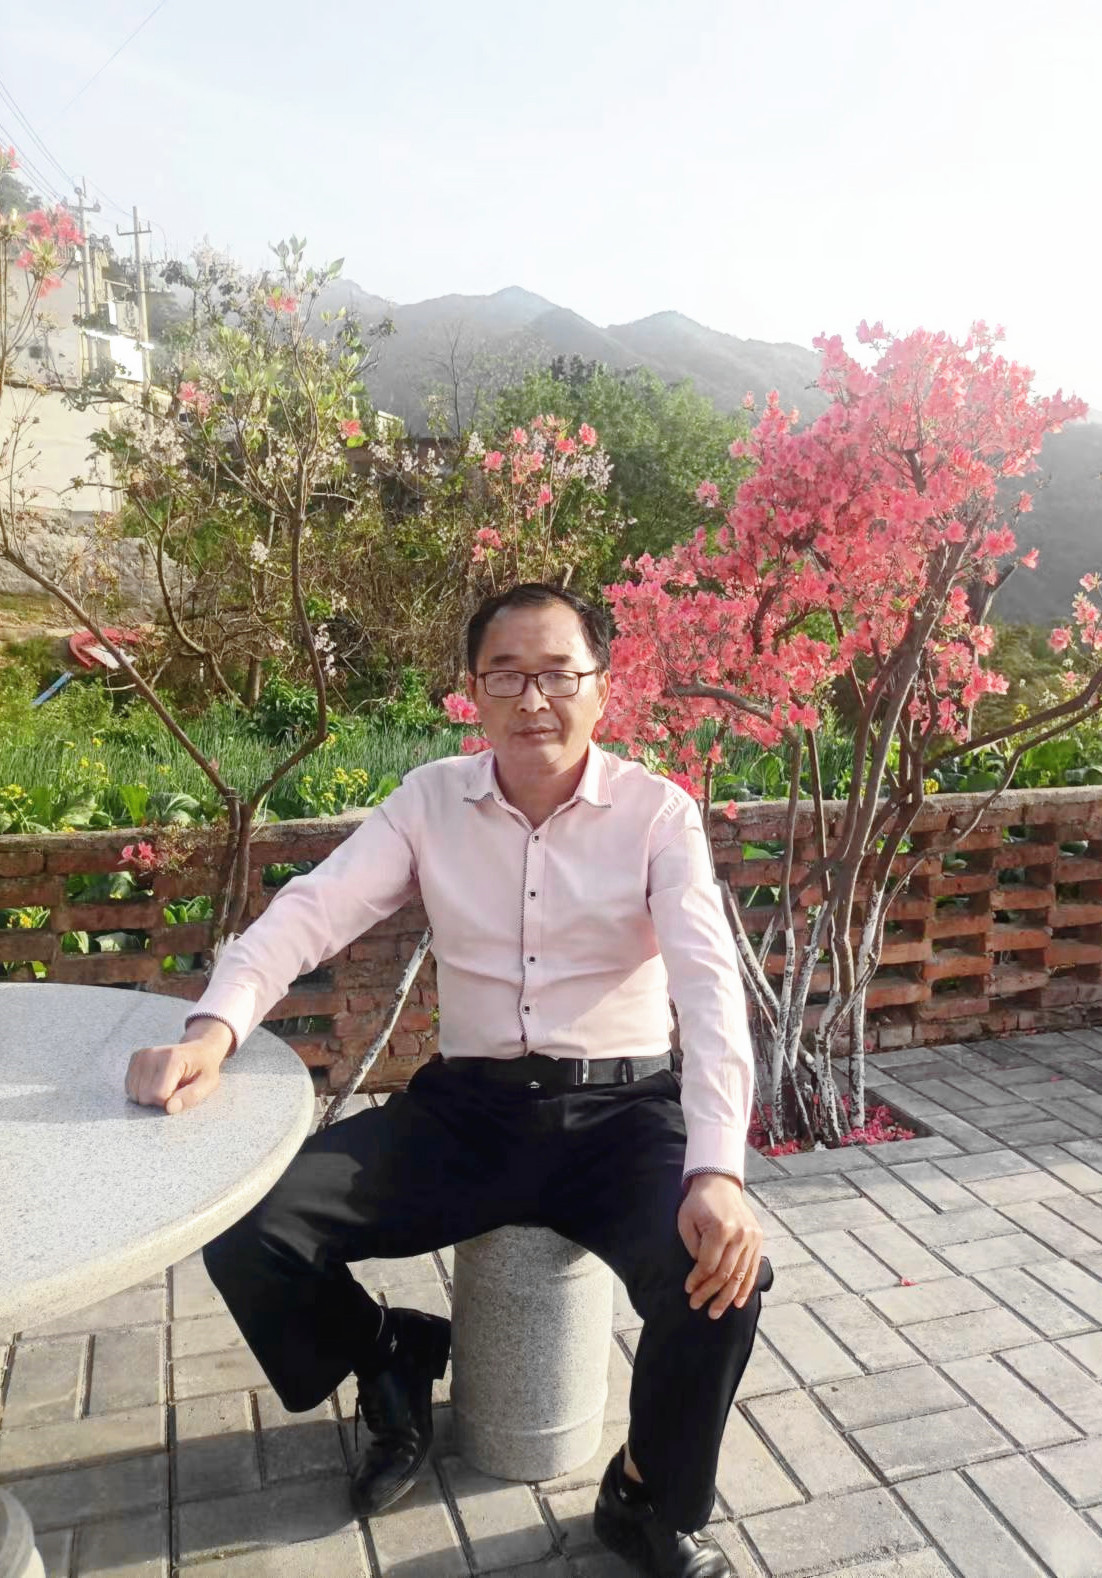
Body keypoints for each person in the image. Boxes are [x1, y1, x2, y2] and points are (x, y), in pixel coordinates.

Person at [124, 582, 772, 1578]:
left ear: (602, 688)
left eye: (558, 674)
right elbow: (312, 911)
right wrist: (214, 1028)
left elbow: (709, 988)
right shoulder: (431, 800)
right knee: (250, 1225)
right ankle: (388, 1350)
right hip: (468, 1109)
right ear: (473, 691)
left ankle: (643, 1494)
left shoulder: (656, 815)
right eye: (505, 676)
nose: (533, 700)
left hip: (622, 1115)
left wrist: (717, 1170)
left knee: (721, 1279)